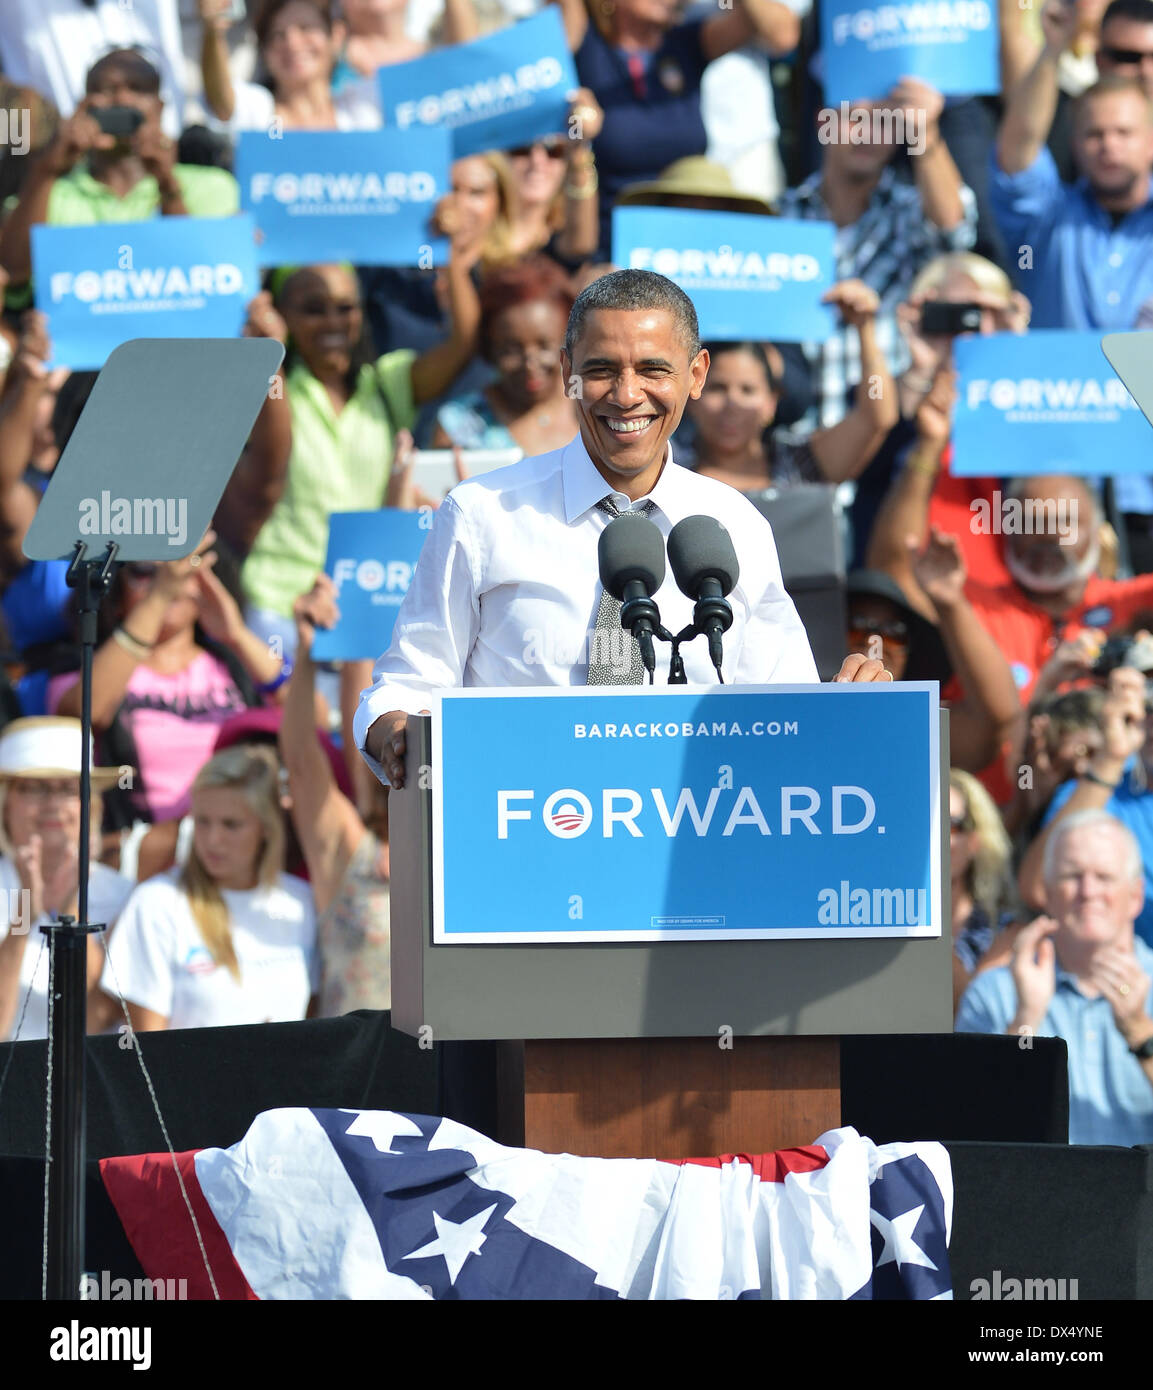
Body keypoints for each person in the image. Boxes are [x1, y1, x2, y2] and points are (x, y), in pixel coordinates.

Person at [356, 268, 893, 788]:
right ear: (569, 371)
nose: (627, 394)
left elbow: (784, 708)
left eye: (654, 369)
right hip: (522, 841)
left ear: (697, 374)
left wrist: (847, 701)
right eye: (602, 369)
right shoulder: (481, 514)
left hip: (692, 847)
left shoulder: (736, 525)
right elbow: (407, 684)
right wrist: (398, 732)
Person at [221, 240, 479, 654]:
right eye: (313, 309)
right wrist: (266, 348)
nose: (333, 322)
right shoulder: (271, 385)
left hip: (362, 607)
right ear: (283, 315)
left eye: (346, 307)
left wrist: (452, 260)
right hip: (280, 604)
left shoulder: (385, 384)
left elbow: (462, 343)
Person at [776, 80, 977, 432]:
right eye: (855, 119)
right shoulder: (778, 216)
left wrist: (925, 131)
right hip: (795, 439)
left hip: (887, 441)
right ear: (823, 124)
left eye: (885, 123)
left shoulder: (908, 211)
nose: (869, 133)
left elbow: (954, 233)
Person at [47, 534, 281, 827]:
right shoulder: (83, 663)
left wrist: (237, 635)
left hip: (237, 842)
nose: (169, 579)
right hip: (138, 850)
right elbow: (80, 715)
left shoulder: (232, 663)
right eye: (145, 571)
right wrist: (159, 597)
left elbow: (313, 719)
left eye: (184, 565)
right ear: (114, 591)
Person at [957, 810, 1153, 1146]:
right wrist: (1025, 1019)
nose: (1087, 891)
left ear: (1135, 896)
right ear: (1046, 892)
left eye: (1104, 877)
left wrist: (1139, 1031)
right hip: (1038, 1193)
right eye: (1072, 876)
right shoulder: (996, 992)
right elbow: (970, 1124)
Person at [557, 0, 801, 258]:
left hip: (682, 250)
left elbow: (781, 33)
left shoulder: (687, 43)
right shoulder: (581, 41)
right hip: (606, 250)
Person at [100, 745, 317, 1030]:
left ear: (266, 827)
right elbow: (147, 1048)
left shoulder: (301, 902)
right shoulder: (156, 903)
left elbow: (312, 1023)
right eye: (202, 822)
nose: (213, 840)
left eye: (231, 825)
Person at [0, 48, 239, 297]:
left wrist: (167, 185)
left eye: (137, 88)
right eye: (105, 89)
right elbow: (12, 272)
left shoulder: (213, 186)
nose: (122, 99)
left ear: (159, 107)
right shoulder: (50, 193)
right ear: (83, 107)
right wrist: (47, 169)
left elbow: (207, 287)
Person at [282, 575, 391, 1014]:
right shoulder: (352, 849)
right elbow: (302, 760)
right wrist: (308, 652)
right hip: (357, 1075)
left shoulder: (466, 851)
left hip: (449, 1077)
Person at [683, 281, 897, 490]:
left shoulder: (802, 464)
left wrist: (865, 330)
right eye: (718, 388)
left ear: (771, 402)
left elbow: (876, 414)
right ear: (692, 394)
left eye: (748, 390)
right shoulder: (664, 471)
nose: (732, 403)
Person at [0, 717, 133, 1042]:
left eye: (69, 789)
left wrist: (71, 911)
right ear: (5, 803)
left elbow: (93, 1020)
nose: (53, 805)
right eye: (34, 788)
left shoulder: (124, 895)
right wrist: (22, 916)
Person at [432, 255, 578, 457]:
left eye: (544, 347)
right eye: (511, 350)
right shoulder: (458, 426)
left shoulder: (598, 409)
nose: (530, 364)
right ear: (490, 348)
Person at [198, 0, 381, 131]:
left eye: (306, 28)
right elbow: (221, 102)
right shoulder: (259, 110)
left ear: (336, 35)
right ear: (265, 50)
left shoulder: (359, 110)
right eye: (278, 35)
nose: (292, 43)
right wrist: (214, 31)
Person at [949, 768, 1017, 1012]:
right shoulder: (882, 929)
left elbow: (974, 1016)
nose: (933, 838)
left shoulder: (1005, 932)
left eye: (950, 825)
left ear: (974, 841)